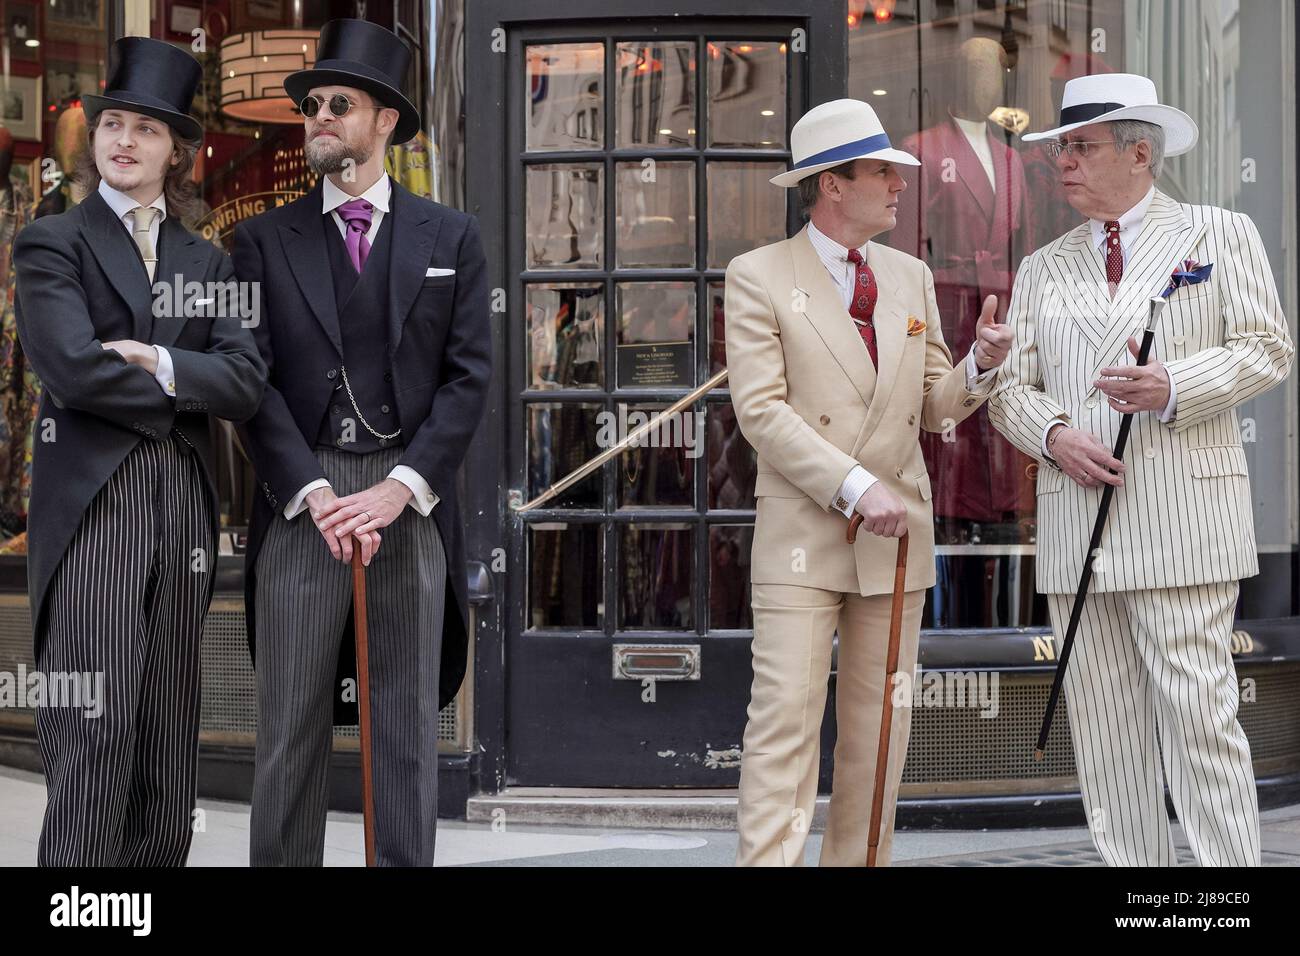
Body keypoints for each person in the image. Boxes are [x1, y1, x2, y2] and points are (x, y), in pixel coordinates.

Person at [989, 73, 1294, 866]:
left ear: (1140, 153)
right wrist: (1052, 433)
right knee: (1106, 736)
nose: (1063, 163)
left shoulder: (1217, 234)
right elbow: (1008, 391)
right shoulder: (1040, 268)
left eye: (1081, 148)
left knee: (1200, 722)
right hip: (1074, 529)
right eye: (1060, 149)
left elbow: (1269, 349)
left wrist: (1174, 386)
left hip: (1183, 520)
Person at [725, 98, 1013, 865]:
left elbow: (933, 405)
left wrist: (979, 364)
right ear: (831, 186)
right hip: (803, 537)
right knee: (784, 720)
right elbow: (761, 413)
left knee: (882, 732)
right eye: (882, 171)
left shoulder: (910, 275)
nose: (898, 185)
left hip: (896, 543)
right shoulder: (756, 276)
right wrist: (856, 485)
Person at [234, 18, 492, 866]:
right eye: (311, 105)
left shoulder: (451, 237)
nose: (318, 117)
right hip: (301, 495)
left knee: (406, 724)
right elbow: (251, 381)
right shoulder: (262, 241)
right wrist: (312, 493)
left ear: (385, 121)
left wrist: (400, 488)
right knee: (291, 728)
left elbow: (467, 380)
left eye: (337, 104)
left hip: (407, 500)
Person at [14, 36, 266, 865]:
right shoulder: (56, 242)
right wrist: (184, 387)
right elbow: (72, 370)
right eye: (113, 123)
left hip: (184, 512)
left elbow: (246, 383)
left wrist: (155, 359)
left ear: (177, 152)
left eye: (146, 130)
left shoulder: (208, 258)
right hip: (94, 508)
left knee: (167, 735)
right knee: (93, 734)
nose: (124, 140)